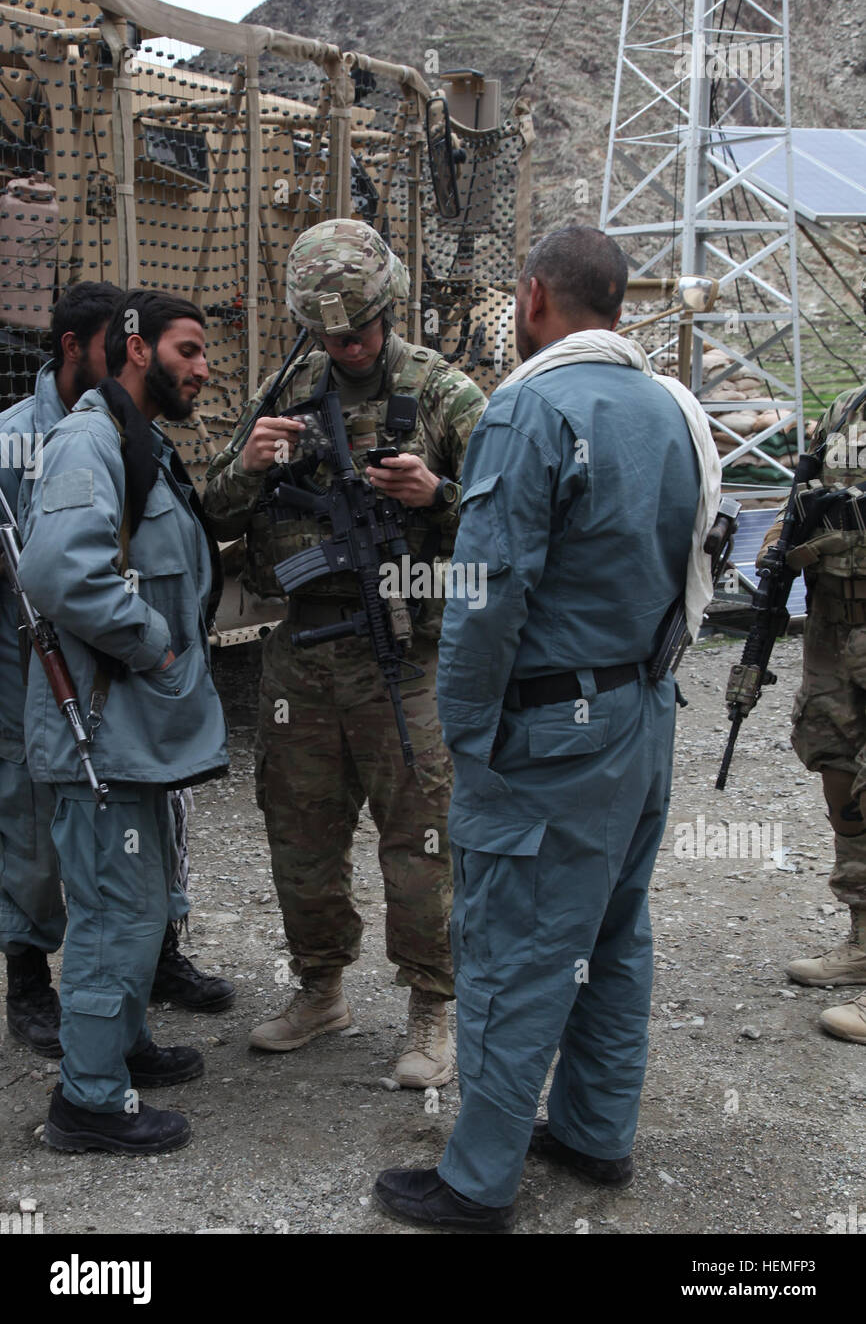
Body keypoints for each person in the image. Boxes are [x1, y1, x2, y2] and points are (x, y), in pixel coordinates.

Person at [374, 223, 719, 1231]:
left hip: (549, 734)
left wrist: (467, 734)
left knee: (515, 944)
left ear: (531, 298)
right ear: (613, 302)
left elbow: (486, 593)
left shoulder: (526, 406)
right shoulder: (669, 407)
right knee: (609, 933)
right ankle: (592, 1131)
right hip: (638, 715)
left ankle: (475, 1180)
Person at [204, 218, 486, 1087]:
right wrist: (248, 464)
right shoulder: (285, 389)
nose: (348, 342)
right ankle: (319, 986)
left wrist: (439, 496)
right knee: (300, 831)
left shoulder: (444, 394)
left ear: (388, 305)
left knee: (420, 837)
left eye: (360, 324)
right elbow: (209, 515)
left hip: (401, 654)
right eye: (331, 330)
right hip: (303, 651)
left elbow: (509, 527)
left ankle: (434, 1007)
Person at [17, 289, 229, 1154]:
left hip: (134, 732)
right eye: (187, 350)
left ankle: (123, 1045)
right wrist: (158, 647)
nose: (202, 367)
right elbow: (61, 574)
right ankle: (89, 1102)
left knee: (145, 903)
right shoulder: (88, 441)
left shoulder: (138, 441)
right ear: (135, 348)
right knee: (115, 915)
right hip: (99, 731)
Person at [770, 273, 866, 1044]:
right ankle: (863, 939)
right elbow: (802, 490)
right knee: (837, 766)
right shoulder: (846, 411)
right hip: (835, 629)